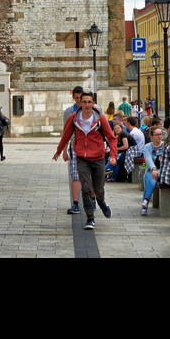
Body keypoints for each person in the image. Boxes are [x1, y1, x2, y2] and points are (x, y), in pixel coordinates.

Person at [54, 90, 117, 230]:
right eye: (84, 102)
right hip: (81, 157)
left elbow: (112, 138)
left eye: (89, 102)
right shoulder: (74, 118)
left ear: (93, 103)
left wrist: (113, 155)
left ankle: (102, 203)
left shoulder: (100, 118)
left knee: (99, 189)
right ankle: (90, 218)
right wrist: (59, 151)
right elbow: (66, 136)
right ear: (80, 103)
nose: (87, 105)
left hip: (98, 157)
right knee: (86, 188)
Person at [62, 85, 88, 215]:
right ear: (73, 98)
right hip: (74, 146)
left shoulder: (91, 110)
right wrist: (64, 149)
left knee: (89, 175)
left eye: (80, 97)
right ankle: (76, 203)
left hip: (90, 147)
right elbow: (66, 132)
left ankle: (91, 199)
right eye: (76, 98)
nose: (78, 100)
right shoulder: (68, 112)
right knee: (75, 175)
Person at [139, 124, 166, 215]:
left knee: (153, 176)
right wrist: (154, 168)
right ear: (151, 136)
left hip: (163, 170)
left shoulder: (165, 146)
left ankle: (145, 201)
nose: (160, 136)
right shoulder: (147, 146)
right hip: (151, 170)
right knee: (151, 176)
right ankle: (146, 202)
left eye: (161, 134)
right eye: (157, 134)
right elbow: (148, 159)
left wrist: (156, 170)